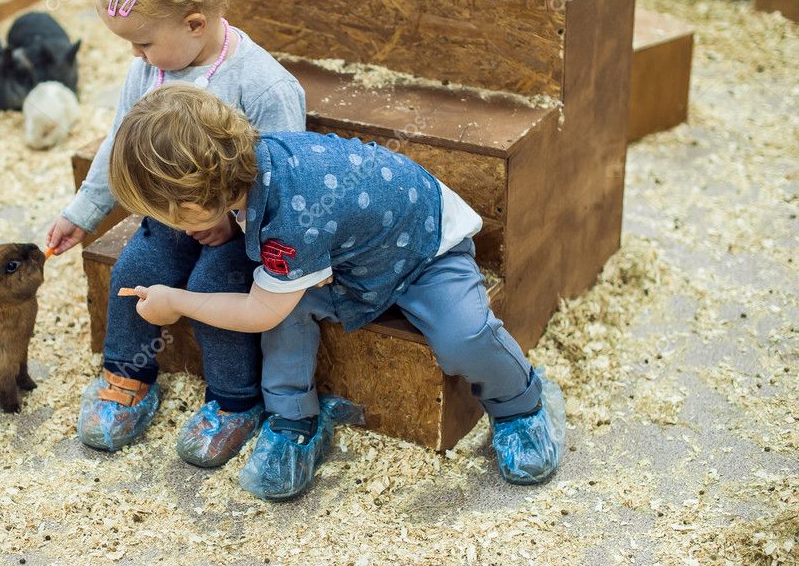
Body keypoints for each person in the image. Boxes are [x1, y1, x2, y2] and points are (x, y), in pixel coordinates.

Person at [107, 83, 566, 501]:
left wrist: (178, 303)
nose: (171, 229)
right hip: (351, 260)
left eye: (170, 219)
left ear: (193, 203)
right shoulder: (256, 161)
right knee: (291, 308)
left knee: (463, 337)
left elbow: (259, 312)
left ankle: (520, 405)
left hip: (424, 249)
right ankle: (294, 419)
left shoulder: (291, 220)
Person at [46, 0, 306, 467]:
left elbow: (287, 179)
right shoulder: (149, 73)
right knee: (135, 267)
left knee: (214, 282)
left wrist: (233, 224)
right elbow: (119, 145)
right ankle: (126, 377)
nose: (136, 55)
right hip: (170, 214)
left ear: (194, 22)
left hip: (244, 227)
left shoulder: (263, 86)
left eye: (142, 41)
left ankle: (234, 401)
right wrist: (82, 213)